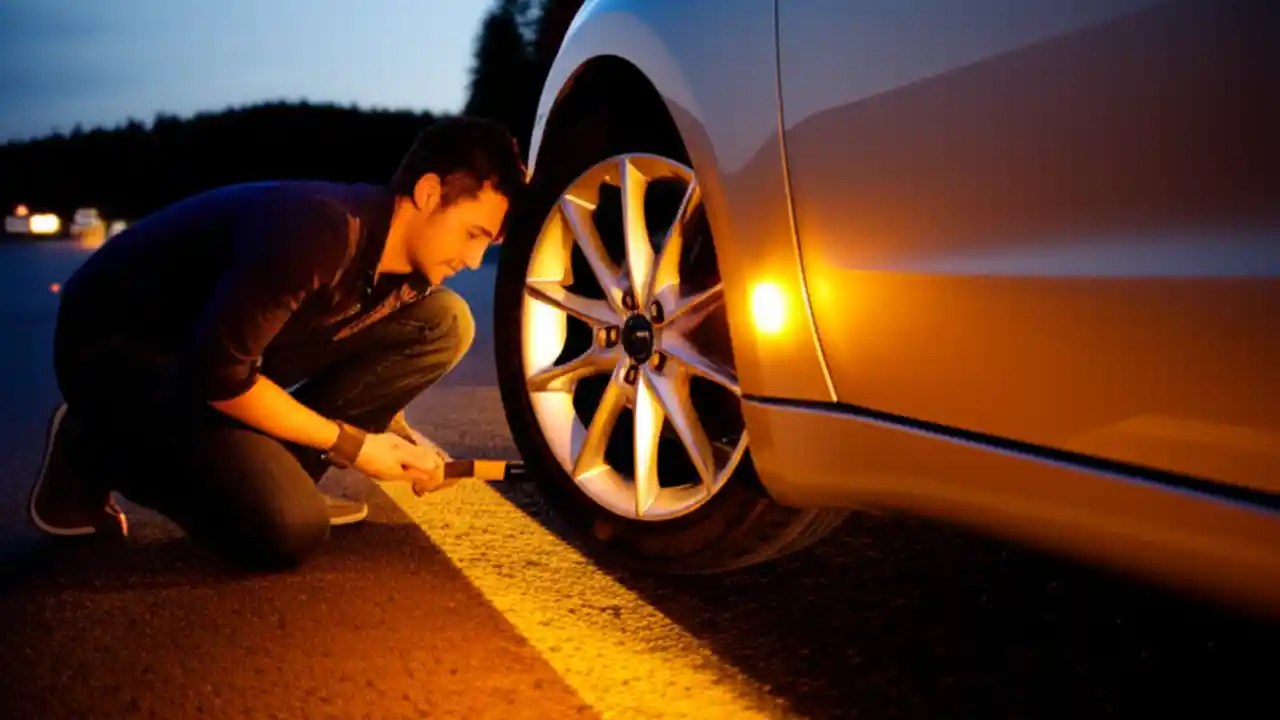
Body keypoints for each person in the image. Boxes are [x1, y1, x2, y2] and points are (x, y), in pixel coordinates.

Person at [28, 116, 526, 568]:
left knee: (444, 321)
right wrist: (354, 446)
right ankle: (88, 442)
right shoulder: (319, 231)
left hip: (211, 349)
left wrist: (404, 444)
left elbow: (355, 364)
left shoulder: (405, 274)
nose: (475, 259)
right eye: (473, 234)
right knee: (289, 527)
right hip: (120, 354)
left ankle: (275, 474)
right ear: (430, 193)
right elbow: (221, 378)